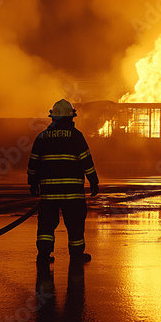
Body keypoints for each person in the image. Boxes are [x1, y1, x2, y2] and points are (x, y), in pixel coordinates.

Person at [27, 99, 99, 263]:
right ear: (71, 117)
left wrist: (32, 182)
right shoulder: (76, 136)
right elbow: (86, 161)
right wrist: (93, 181)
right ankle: (76, 255)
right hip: (72, 194)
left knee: (46, 226)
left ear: (52, 117)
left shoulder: (42, 137)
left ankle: (44, 255)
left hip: (49, 194)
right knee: (75, 225)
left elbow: (34, 162)